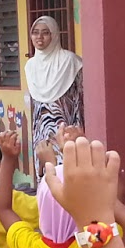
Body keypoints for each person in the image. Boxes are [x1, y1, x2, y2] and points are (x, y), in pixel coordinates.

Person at [24, 15, 82, 161]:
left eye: (45, 32)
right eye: (35, 32)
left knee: (67, 173)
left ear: (54, 35)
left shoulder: (70, 61)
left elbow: (81, 101)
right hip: (41, 134)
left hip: (66, 133)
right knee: (45, 176)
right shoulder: (30, 66)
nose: (39, 37)